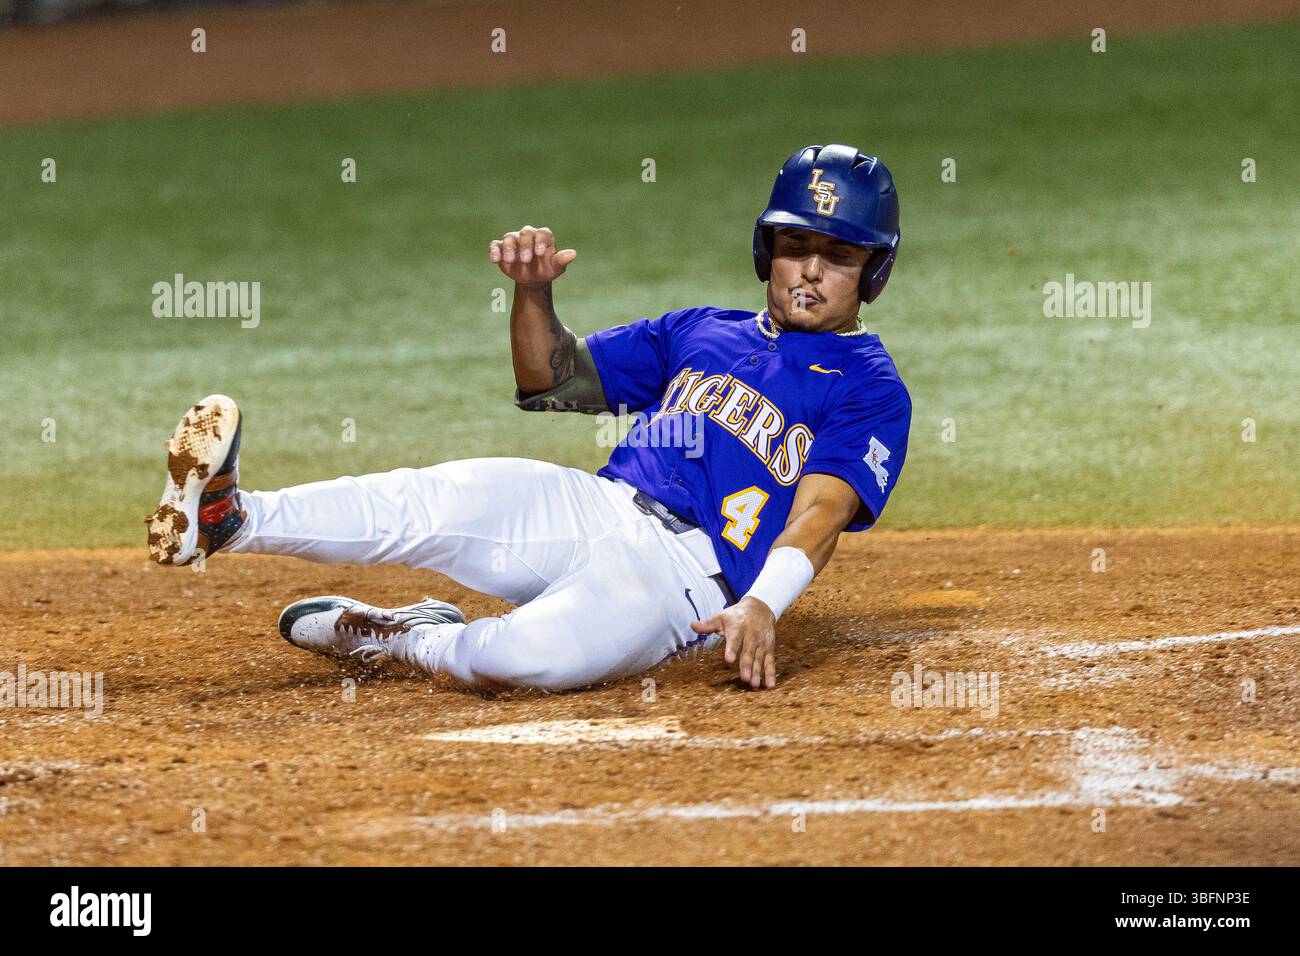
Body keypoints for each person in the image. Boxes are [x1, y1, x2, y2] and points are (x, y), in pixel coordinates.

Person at [145, 143, 911, 692]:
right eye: (795, 245)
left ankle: (403, 637)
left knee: (518, 658)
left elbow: (821, 511)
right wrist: (534, 295)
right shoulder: (700, 330)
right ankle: (230, 517)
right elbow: (553, 384)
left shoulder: (872, 389)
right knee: (432, 499)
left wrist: (761, 603)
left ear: (872, 272)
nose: (811, 269)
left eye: (838, 255)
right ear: (765, 250)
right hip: (596, 505)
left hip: (681, 582)